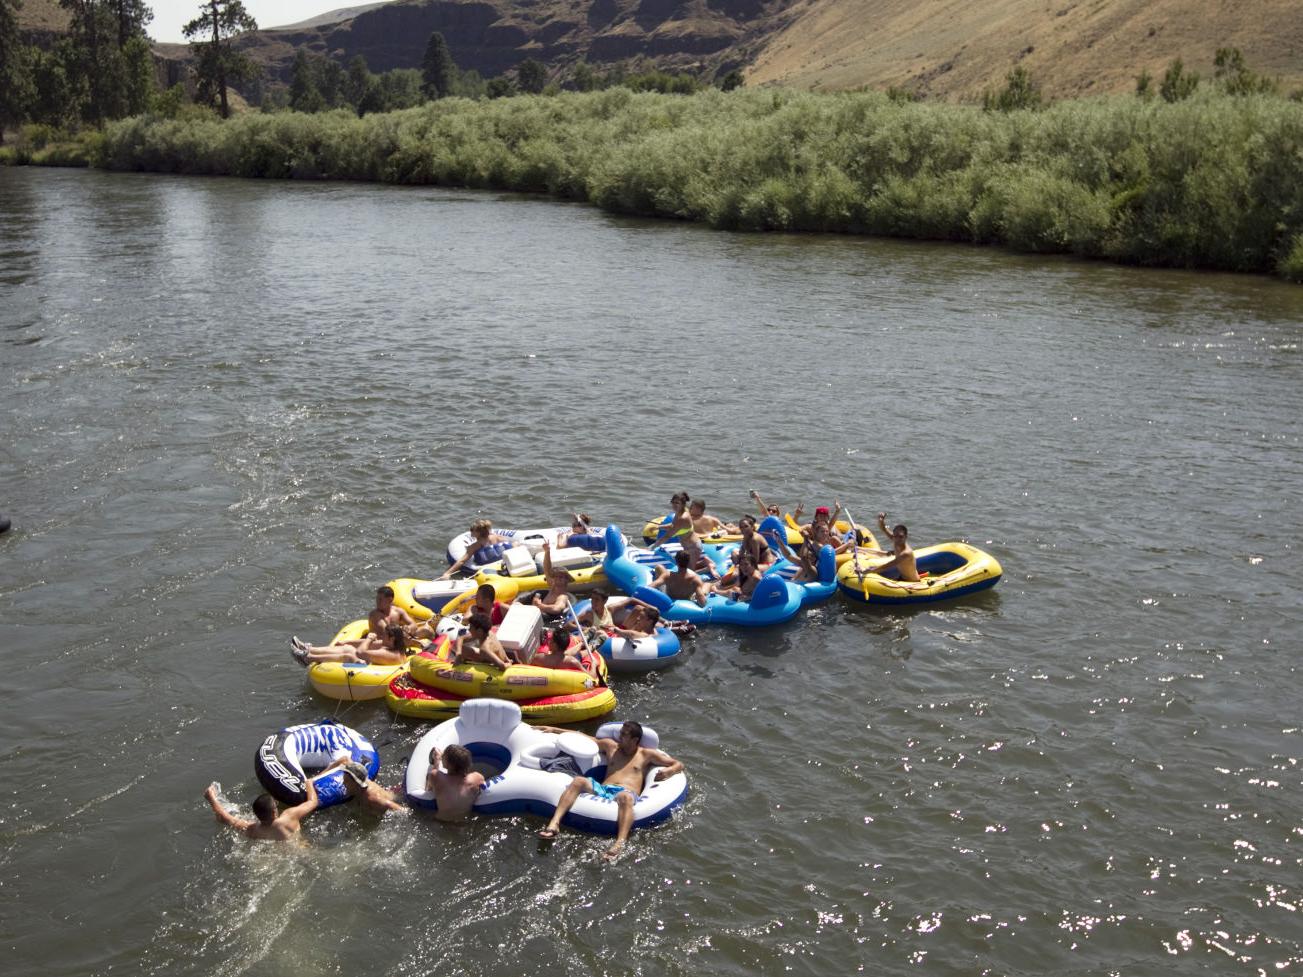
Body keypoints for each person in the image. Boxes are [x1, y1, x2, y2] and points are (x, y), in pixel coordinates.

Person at [536, 720, 684, 861]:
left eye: (624, 734)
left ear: (635, 740)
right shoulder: (611, 746)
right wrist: (554, 729)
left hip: (624, 792)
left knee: (626, 798)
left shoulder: (646, 754)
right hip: (603, 788)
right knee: (578, 781)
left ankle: (620, 843)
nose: (619, 737)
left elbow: (678, 764)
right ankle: (554, 823)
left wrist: (669, 771)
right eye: (621, 733)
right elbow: (585, 738)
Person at [203, 780, 318, 842]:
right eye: (276, 805)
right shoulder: (289, 817)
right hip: (302, 849)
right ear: (274, 812)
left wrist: (211, 798)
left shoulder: (252, 829)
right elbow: (313, 802)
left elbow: (224, 817)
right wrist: (309, 783)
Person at [291, 624, 411, 667]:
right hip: (372, 664)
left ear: (392, 638)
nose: (381, 636)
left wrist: (368, 639)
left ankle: (308, 658)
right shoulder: (392, 645)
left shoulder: (390, 654)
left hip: (369, 673)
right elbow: (374, 644)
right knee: (348, 648)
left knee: (350, 655)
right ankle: (309, 649)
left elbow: (360, 652)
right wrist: (346, 642)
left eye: (384, 635)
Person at [316, 759, 404, 814]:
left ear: (356, 784)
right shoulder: (356, 773)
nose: (343, 783)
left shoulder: (372, 798)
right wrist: (319, 776)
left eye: (346, 781)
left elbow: (402, 810)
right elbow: (344, 759)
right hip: (388, 792)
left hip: (394, 799)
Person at [425, 744, 486, 822]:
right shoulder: (477, 778)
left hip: (440, 822)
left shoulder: (436, 776)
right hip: (464, 823)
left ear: (447, 764)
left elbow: (428, 790)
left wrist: (437, 760)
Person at [440, 520, 516, 579]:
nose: (470, 531)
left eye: (472, 530)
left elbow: (462, 561)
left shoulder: (475, 546)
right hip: (503, 566)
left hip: (486, 571)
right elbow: (509, 546)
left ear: (478, 532)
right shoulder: (497, 537)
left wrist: (448, 573)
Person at [529, 541, 575, 619]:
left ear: (566, 580)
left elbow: (556, 609)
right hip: (535, 616)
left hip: (546, 620)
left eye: (561, 577)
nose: (558, 578)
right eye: (556, 576)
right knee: (517, 605)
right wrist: (547, 551)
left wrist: (539, 605)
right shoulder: (553, 587)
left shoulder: (562, 597)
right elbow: (547, 570)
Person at [870, 512, 921, 582]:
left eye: (901, 536)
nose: (897, 539)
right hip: (902, 578)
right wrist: (881, 520)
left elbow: (888, 566)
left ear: (906, 537)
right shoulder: (895, 539)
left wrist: (869, 571)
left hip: (912, 581)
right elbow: (884, 529)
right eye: (895, 536)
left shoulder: (906, 553)